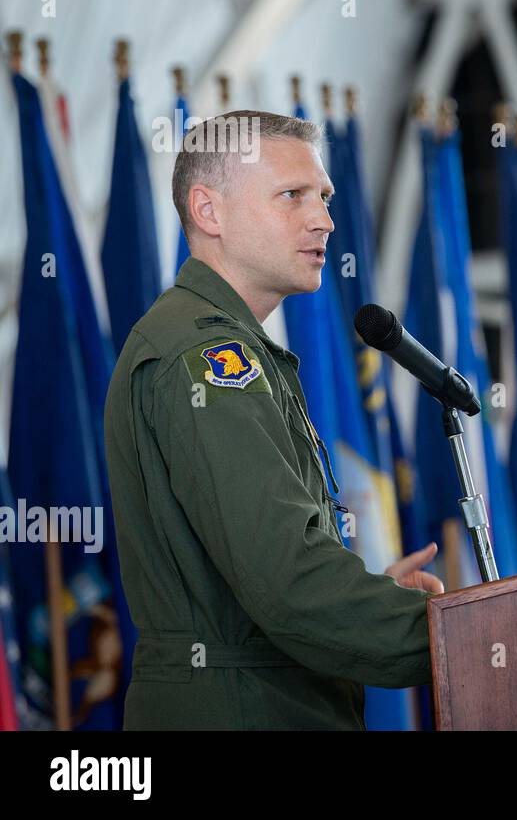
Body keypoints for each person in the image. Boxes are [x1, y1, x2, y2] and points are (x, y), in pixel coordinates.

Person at [104, 110, 441, 730]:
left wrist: (366, 602)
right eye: (293, 196)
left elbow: (256, 581)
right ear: (209, 213)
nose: (324, 220)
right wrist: (461, 639)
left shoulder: (224, 344)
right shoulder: (204, 358)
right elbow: (289, 589)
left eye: (325, 197)